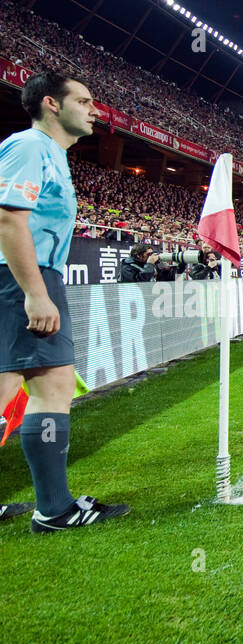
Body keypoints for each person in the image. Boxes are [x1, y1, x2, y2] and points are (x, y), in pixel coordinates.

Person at [0, 72, 128, 531]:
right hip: (19, 280)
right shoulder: (30, 146)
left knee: (51, 390)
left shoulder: (51, 154)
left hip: (33, 278)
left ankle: (55, 507)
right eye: (86, 101)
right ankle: (54, 508)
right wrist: (35, 292)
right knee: (11, 393)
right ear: (52, 104)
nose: (96, 109)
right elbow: (9, 221)